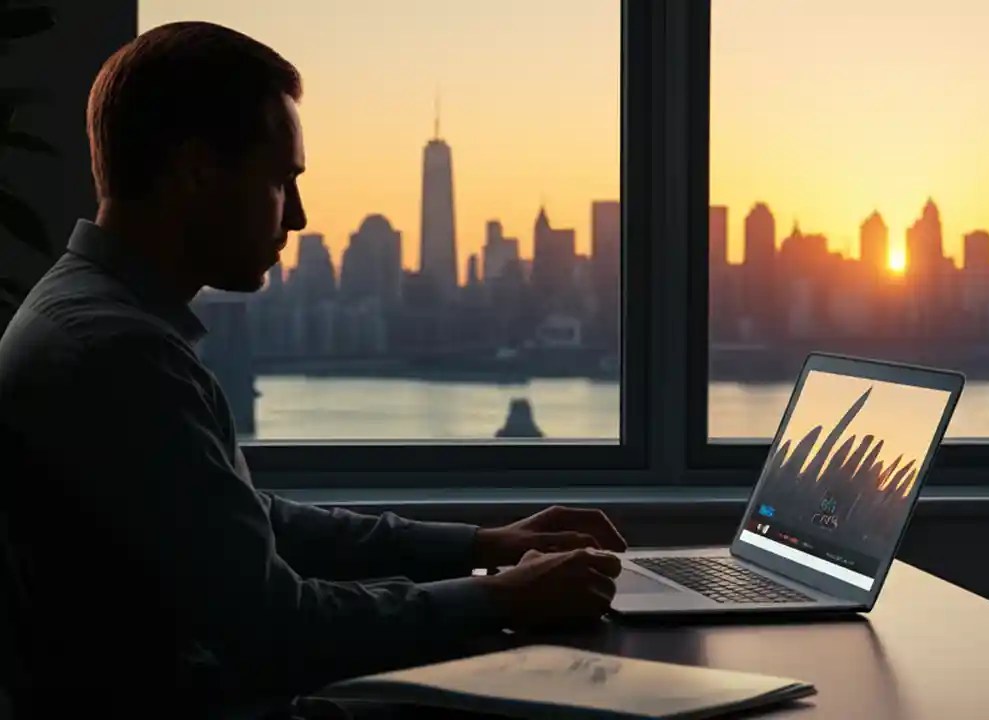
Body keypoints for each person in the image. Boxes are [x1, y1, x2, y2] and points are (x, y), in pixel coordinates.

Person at [0, 21, 624, 717]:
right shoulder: (121, 355)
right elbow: (279, 627)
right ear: (197, 170)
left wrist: (483, 546)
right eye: (281, 182)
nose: (296, 216)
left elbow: (243, 524)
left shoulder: (81, 314)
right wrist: (501, 596)